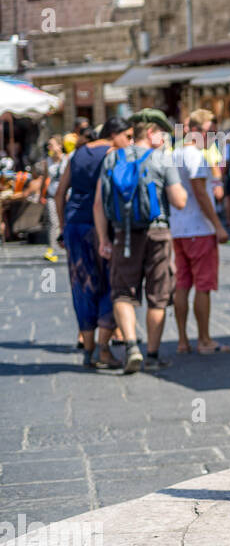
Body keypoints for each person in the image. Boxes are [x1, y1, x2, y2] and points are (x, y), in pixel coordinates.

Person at [93, 108, 188, 374]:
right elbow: (179, 201)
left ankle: (132, 347)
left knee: (123, 292)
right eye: (162, 133)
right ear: (150, 132)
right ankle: (154, 355)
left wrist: (104, 239)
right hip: (157, 233)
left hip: (123, 233)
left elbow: (99, 204)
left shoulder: (112, 160)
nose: (165, 139)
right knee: (157, 295)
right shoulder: (161, 160)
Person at [55, 118, 126, 368]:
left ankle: (88, 348)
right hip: (103, 225)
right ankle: (104, 349)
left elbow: (59, 193)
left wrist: (63, 227)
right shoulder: (114, 154)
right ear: (114, 134)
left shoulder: (77, 154)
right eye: (126, 136)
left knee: (82, 284)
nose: (128, 141)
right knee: (111, 282)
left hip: (75, 225)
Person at [171, 109, 230, 355]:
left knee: (182, 284)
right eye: (209, 131)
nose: (212, 136)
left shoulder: (173, 154)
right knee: (203, 285)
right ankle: (204, 340)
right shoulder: (195, 157)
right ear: (195, 130)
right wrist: (217, 225)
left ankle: (183, 340)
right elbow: (200, 193)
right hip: (199, 227)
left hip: (179, 228)